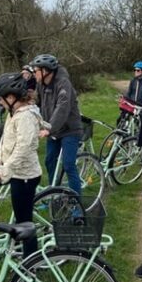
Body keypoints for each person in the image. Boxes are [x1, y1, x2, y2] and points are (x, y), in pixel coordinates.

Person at [0, 72, 47, 257]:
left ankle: (31, 262)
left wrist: (2, 172)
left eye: (1, 98)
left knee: (24, 222)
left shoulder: (25, 117)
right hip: (14, 170)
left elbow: (22, 149)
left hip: (25, 176)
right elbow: (7, 139)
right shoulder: (14, 113)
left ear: (11, 97)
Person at [31, 53, 83, 195]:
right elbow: (35, 102)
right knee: (49, 161)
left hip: (70, 129)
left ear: (45, 71)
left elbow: (62, 107)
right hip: (53, 130)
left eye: (36, 70)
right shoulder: (41, 84)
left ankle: (75, 202)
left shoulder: (63, 83)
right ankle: (55, 193)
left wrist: (49, 128)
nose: (34, 73)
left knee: (68, 164)